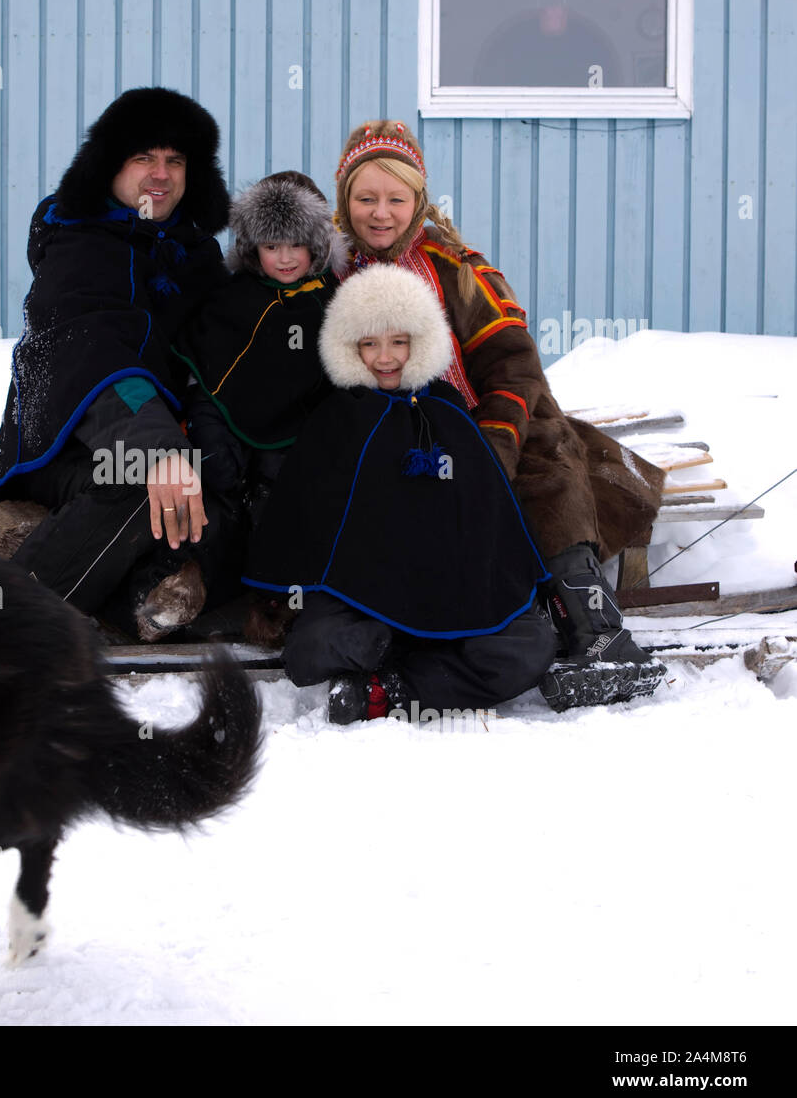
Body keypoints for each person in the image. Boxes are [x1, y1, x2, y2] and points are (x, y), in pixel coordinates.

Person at [331, 120, 665, 709]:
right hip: (403, 432)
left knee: (544, 476)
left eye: (394, 199)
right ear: (345, 202)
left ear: (417, 202)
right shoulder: (334, 276)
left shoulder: (458, 271)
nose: (380, 213)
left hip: (497, 415)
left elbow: (514, 368)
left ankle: (600, 635)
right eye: (366, 198)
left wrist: (492, 446)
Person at [243, 264, 557, 723]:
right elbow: (308, 513)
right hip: (361, 593)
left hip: (454, 590)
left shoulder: (448, 414)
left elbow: (486, 511)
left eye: (399, 341)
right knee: (311, 650)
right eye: (369, 343)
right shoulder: (337, 418)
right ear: (350, 347)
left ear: (421, 341)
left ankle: (386, 691)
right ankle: (399, 661)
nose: (385, 357)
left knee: (529, 649)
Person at [0, 87, 231, 640]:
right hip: (66, 444)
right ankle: (2, 625)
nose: (159, 174)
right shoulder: (78, 250)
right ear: (110, 166)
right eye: (142, 157)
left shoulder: (193, 254)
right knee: (138, 478)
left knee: (228, 483)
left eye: (175, 160)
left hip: (166, 434)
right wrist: (158, 448)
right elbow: (97, 354)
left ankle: (141, 606)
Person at [169, 171, 347, 624]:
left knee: (284, 489)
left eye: (296, 245)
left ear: (318, 245)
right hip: (227, 424)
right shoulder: (235, 299)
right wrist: (207, 419)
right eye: (271, 246)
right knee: (217, 484)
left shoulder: (332, 301)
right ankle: (207, 591)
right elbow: (206, 367)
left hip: (299, 434)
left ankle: (284, 595)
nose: (284, 258)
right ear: (253, 250)